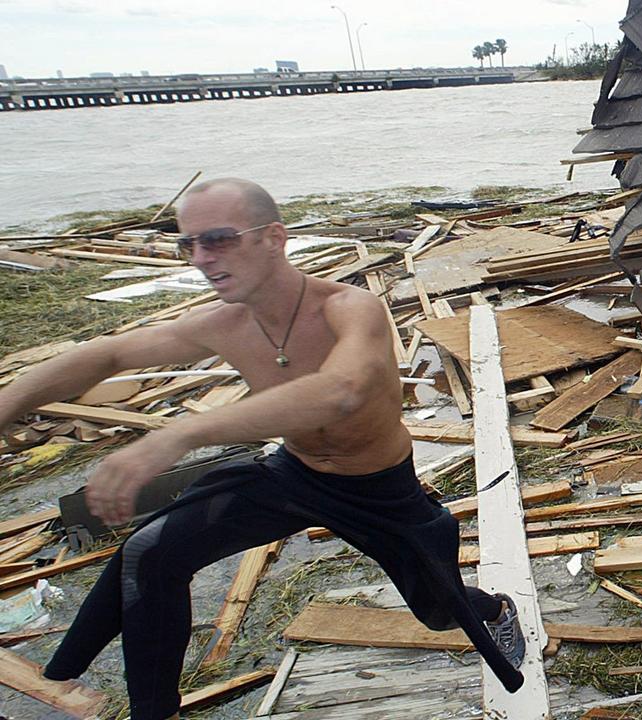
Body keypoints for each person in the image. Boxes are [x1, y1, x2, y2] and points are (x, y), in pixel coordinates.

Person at [0, 178, 526, 720]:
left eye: (219, 239)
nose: (202, 258)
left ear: (274, 237)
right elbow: (107, 356)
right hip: (292, 475)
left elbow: (339, 392)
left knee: (439, 610)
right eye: (190, 245)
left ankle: (495, 608)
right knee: (152, 553)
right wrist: (6, 404)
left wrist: (179, 434)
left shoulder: (350, 308)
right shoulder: (222, 324)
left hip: (378, 489)